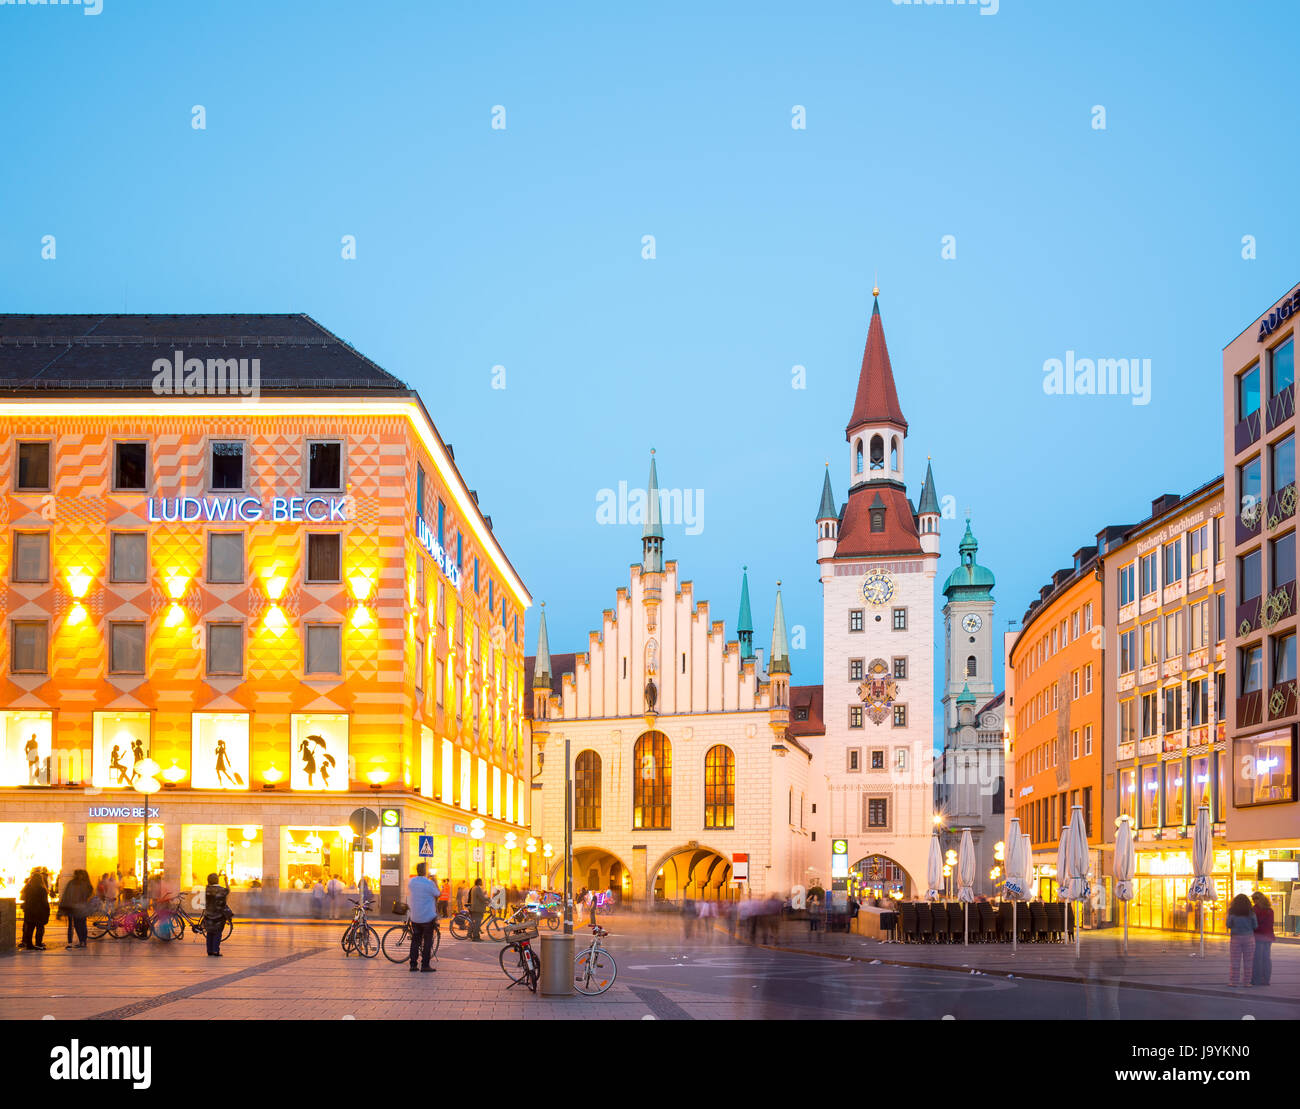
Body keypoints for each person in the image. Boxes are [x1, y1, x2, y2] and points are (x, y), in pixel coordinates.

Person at [406, 863, 439, 973]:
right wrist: (435, 881)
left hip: (415, 916)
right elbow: (437, 893)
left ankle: (413, 964)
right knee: (427, 941)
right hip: (427, 917)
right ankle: (425, 965)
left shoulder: (412, 882)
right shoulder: (429, 883)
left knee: (415, 941)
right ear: (425, 871)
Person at [1225, 893, 1257, 987]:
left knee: (1235, 961)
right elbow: (1255, 925)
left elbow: (1228, 924)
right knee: (1248, 961)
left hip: (1236, 938)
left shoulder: (1232, 912)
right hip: (1249, 938)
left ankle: (1233, 982)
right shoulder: (1251, 912)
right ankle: (1247, 982)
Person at [59, 869, 94, 948]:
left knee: (77, 925)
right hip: (81, 907)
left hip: (74, 907)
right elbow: (89, 895)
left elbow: (66, 895)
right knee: (81, 924)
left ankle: (79, 941)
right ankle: (82, 941)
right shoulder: (85, 884)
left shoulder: (73, 883)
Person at [20, 868, 50, 950]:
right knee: (40, 928)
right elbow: (45, 902)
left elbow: (23, 897)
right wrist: (47, 911)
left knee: (29, 928)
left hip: (29, 911)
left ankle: (29, 944)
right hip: (39, 911)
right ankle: (38, 943)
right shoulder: (42, 889)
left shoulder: (28, 888)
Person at [1251, 892, 1275, 987]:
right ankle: (1266, 980)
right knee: (1266, 959)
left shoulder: (1254, 910)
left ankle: (1256, 980)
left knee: (1257, 959)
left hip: (1258, 936)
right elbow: (1271, 923)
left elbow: (1254, 923)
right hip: (1268, 936)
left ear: (1257, 899)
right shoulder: (1270, 910)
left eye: (1254, 900)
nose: (1253, 902)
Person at [202, 873, 229, 957]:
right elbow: (227, 891)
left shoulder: (207, 889)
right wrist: (226, 881)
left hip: (208, 914)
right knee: (217, 933)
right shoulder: (221, 890)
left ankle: (209, 951)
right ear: (217, 880)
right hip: (218, 916)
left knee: (209, 933)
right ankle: (215, 951)